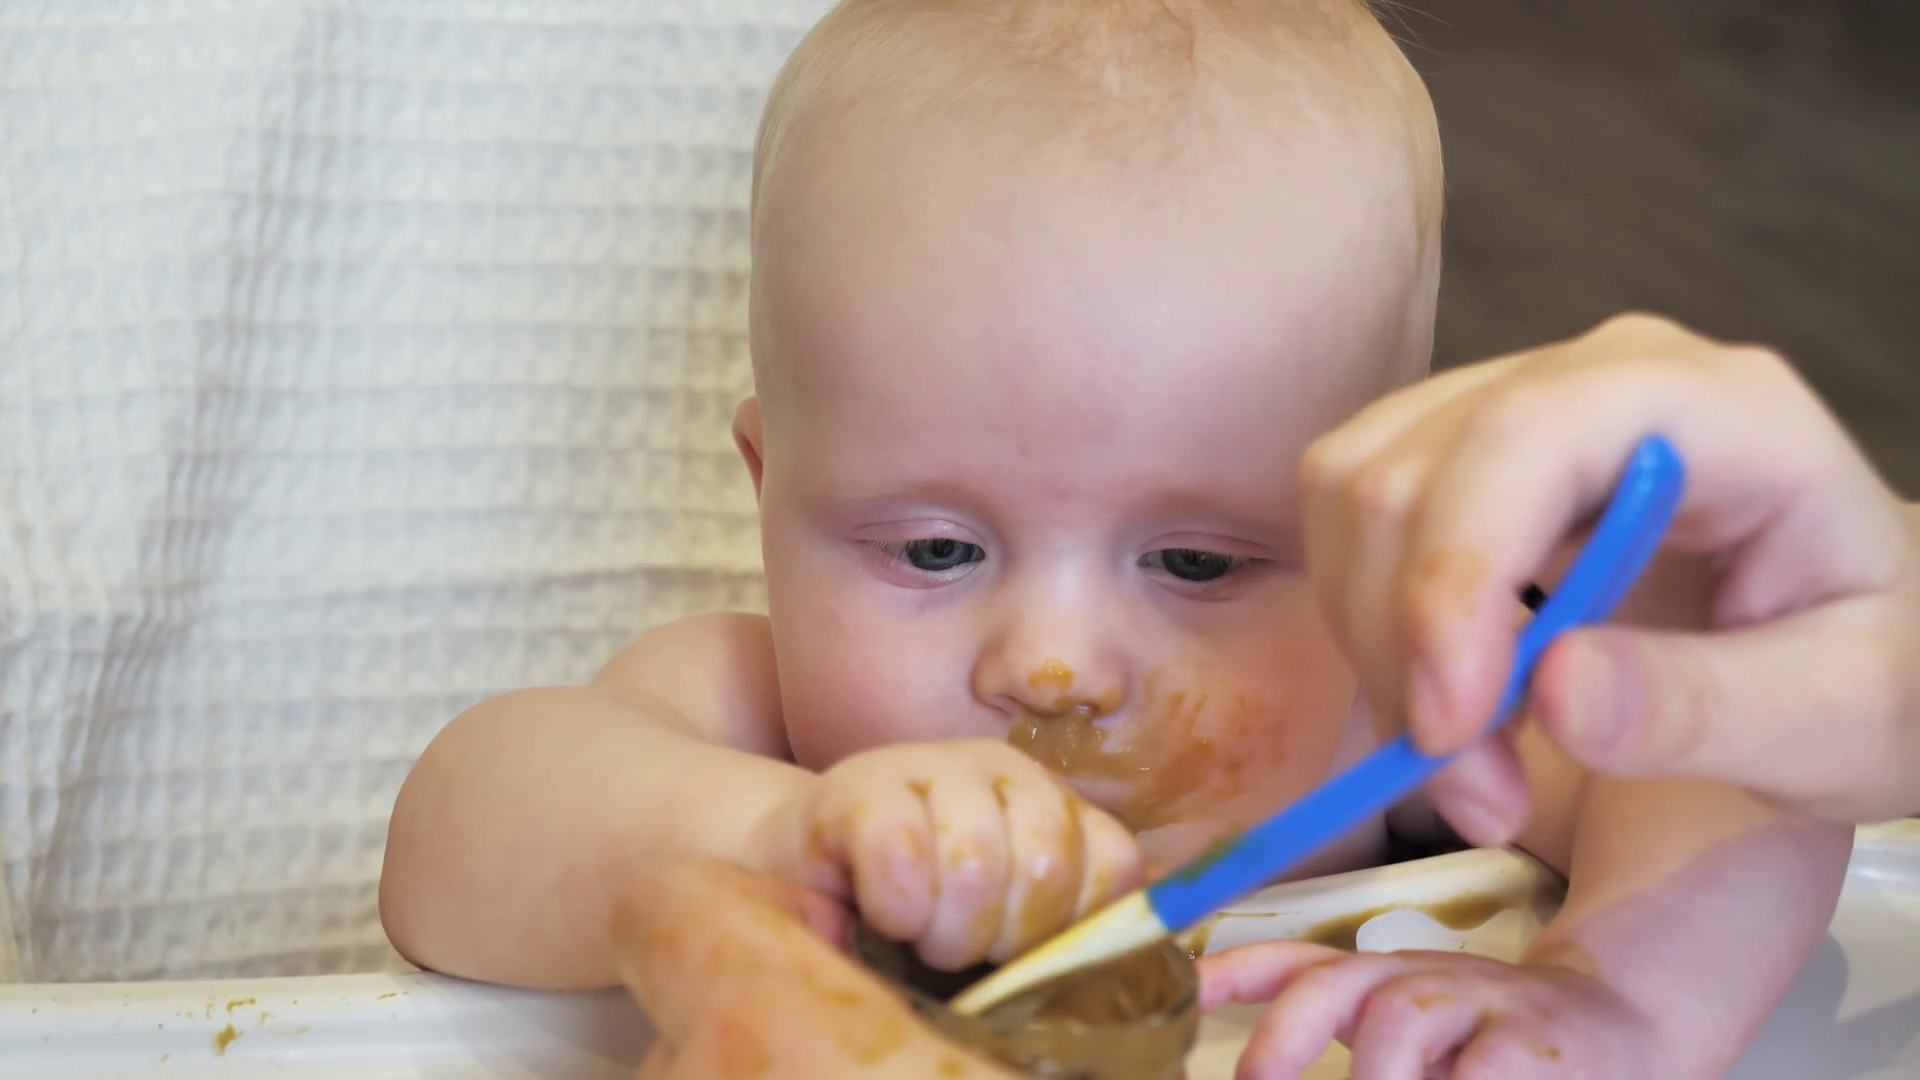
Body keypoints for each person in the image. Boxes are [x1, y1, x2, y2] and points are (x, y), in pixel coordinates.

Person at [379, 1, 1852, 1075]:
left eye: (1200, 562)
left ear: (1387, 522)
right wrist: (773, 839)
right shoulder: (757, 724)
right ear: (770, 489)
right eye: (939, 551)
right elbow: (454, 843)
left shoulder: (1403, 729)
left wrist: (1620, 994)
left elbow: (1744, 767)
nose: (1057, 665)